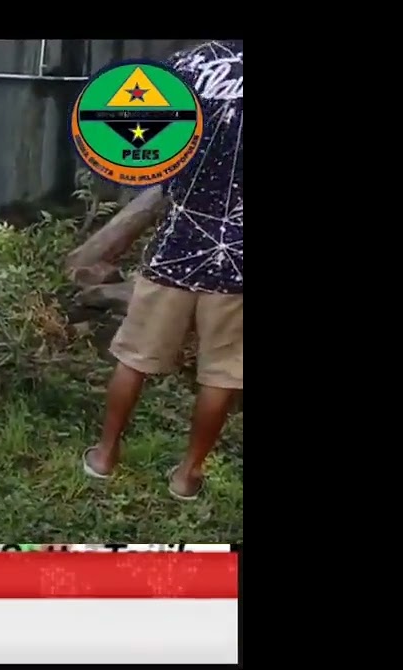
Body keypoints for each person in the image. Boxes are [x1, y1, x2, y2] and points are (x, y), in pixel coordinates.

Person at [82, 40, 244, 501]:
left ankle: (105, 456)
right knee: (223, 373)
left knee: (134, 356)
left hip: (178, 242)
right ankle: (187, 477)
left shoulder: (184, 67)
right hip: (238, 256)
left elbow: (138, 149)